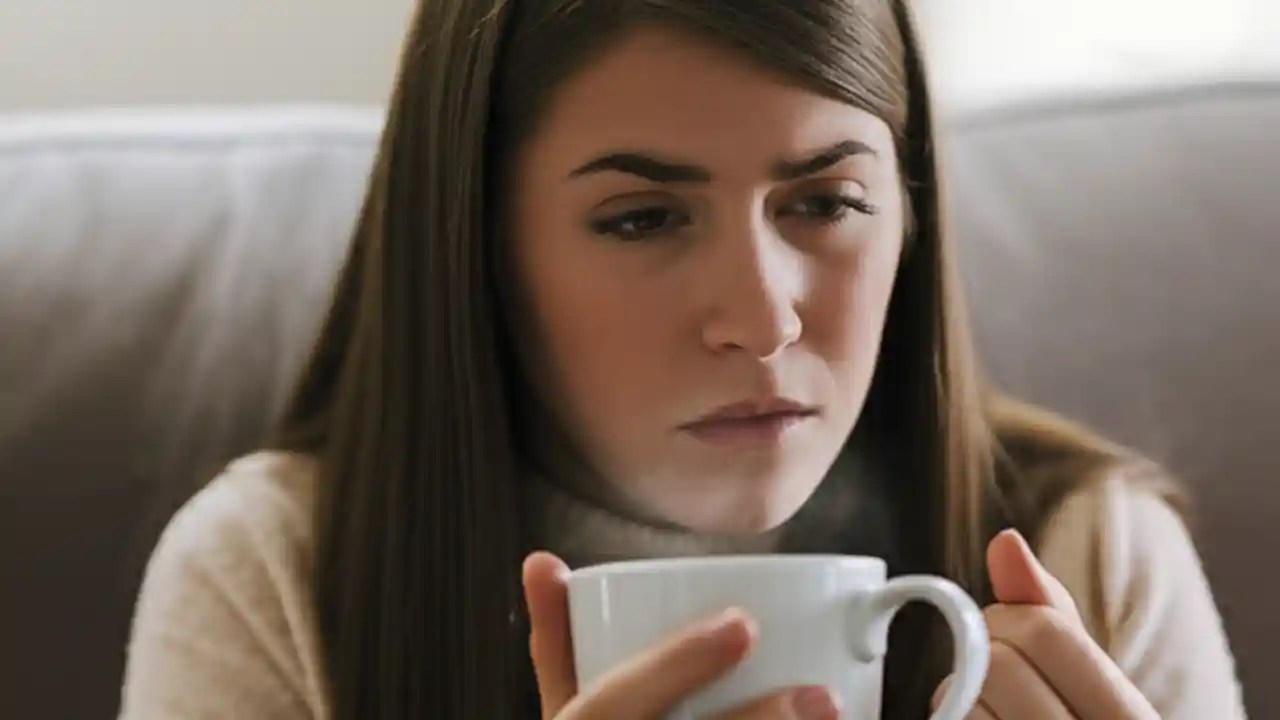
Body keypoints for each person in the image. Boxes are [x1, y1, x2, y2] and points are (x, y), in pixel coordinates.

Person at [118, 0, 1247, 718]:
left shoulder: (1086, 552)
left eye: (824, 202)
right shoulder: (275, 571)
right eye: (642, 219)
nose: (761, 320)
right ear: (474, 246)